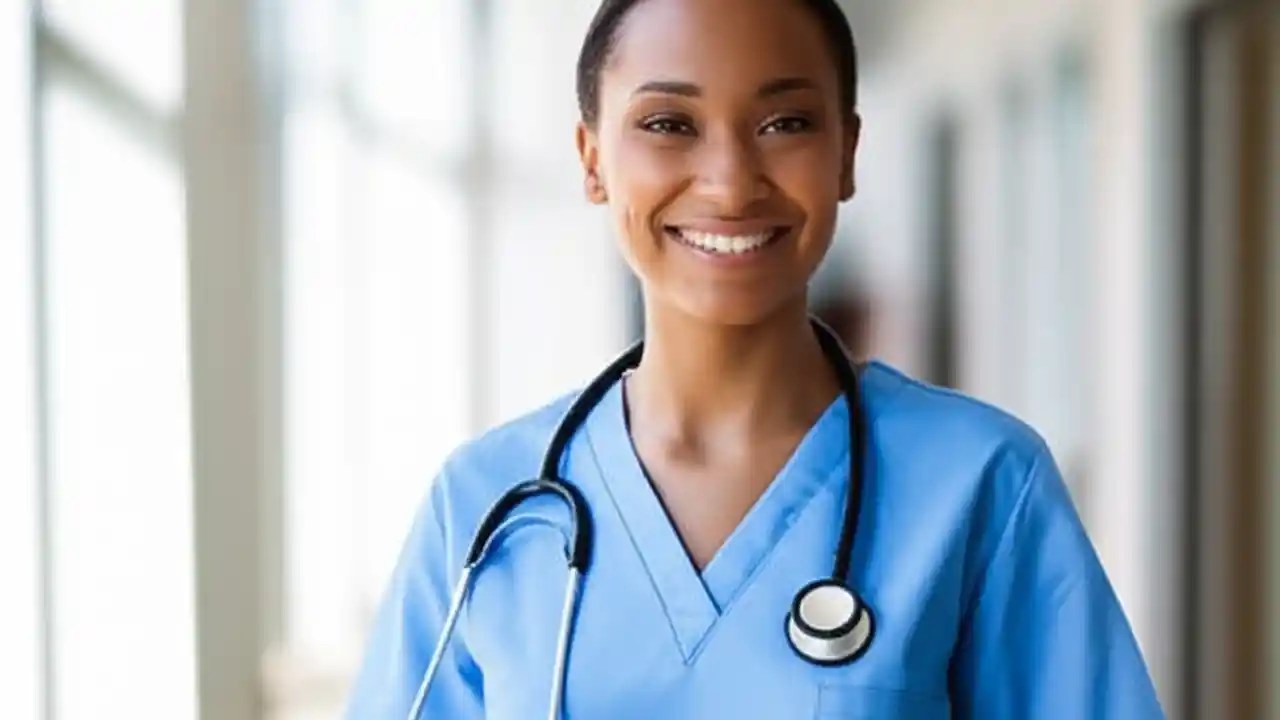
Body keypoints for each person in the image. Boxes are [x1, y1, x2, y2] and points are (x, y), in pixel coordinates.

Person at [345, 1, 1165, 717]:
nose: (732, 182)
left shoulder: (980, 483)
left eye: (786, 124)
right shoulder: (485, 507)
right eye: (669, 124)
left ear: (846, 152)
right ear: (593, 158)